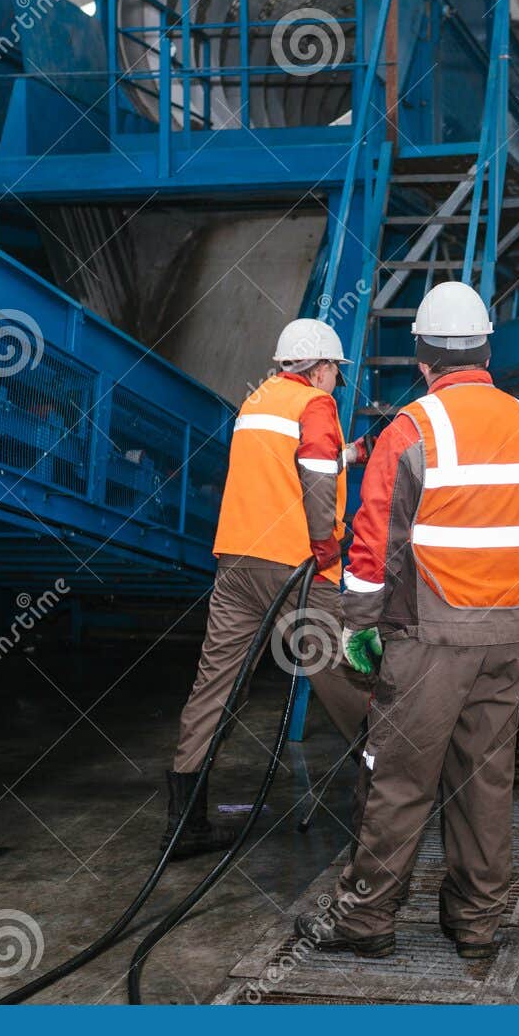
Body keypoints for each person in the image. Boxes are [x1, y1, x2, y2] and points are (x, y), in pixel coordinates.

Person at [297, 282, 519, 958]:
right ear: (486, 350)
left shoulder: (412, 429)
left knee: (400, 778)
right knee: (486, 779)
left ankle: (366, 917)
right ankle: (477, 923)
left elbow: (371, 546)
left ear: (424, 359)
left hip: (431, 639)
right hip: (509, 637)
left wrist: (360, 627)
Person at [161, 317, 372, 858]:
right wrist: (327, 546)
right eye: (335, 375)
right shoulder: (316, 406)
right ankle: (393, 797)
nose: (335, 385)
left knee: (216, 686)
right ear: (321, 367)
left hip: (236, 565)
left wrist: (354, 453)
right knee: (345, 676)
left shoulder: (257, 403)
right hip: (294, 567)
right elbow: (317, 481)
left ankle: (185, 826)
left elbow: (287, 465)